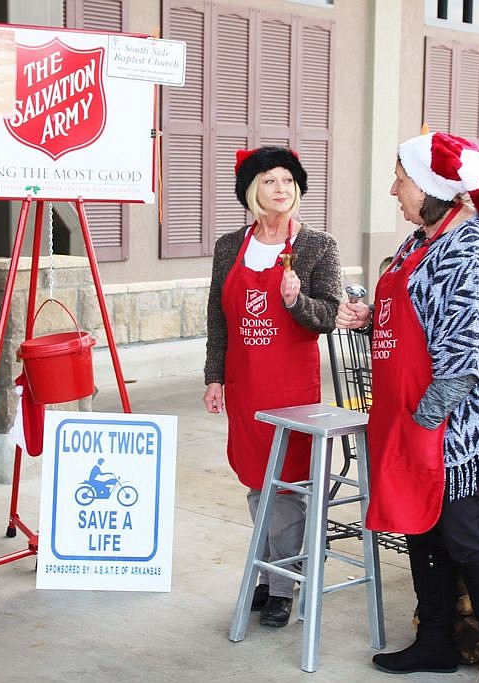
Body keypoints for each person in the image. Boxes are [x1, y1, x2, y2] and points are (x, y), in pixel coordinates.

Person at [336, 132, 479, 681]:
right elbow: (420, 314)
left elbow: (475, 347)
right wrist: (373, 315)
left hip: (460, 425)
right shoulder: (419, 241)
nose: (393, 189)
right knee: (422, 528)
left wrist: (423, 421)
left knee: (466, 535)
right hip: (411, 416)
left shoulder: (474, 248)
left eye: (401, 179)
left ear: (430, 186)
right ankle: (436, 641)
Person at [204, 146, 342, 628]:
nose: (280, 189)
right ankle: (267, 577)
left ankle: (284, 585)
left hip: (289, 386)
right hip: (245, 383)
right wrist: (215, 376)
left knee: (287, 486)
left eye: (287, 180)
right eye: (269, 180)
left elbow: (330, 316)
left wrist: (296, 300)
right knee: (254, 480)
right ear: (252, 190)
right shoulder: (229, 246)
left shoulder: (318, 246)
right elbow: (217, 319)